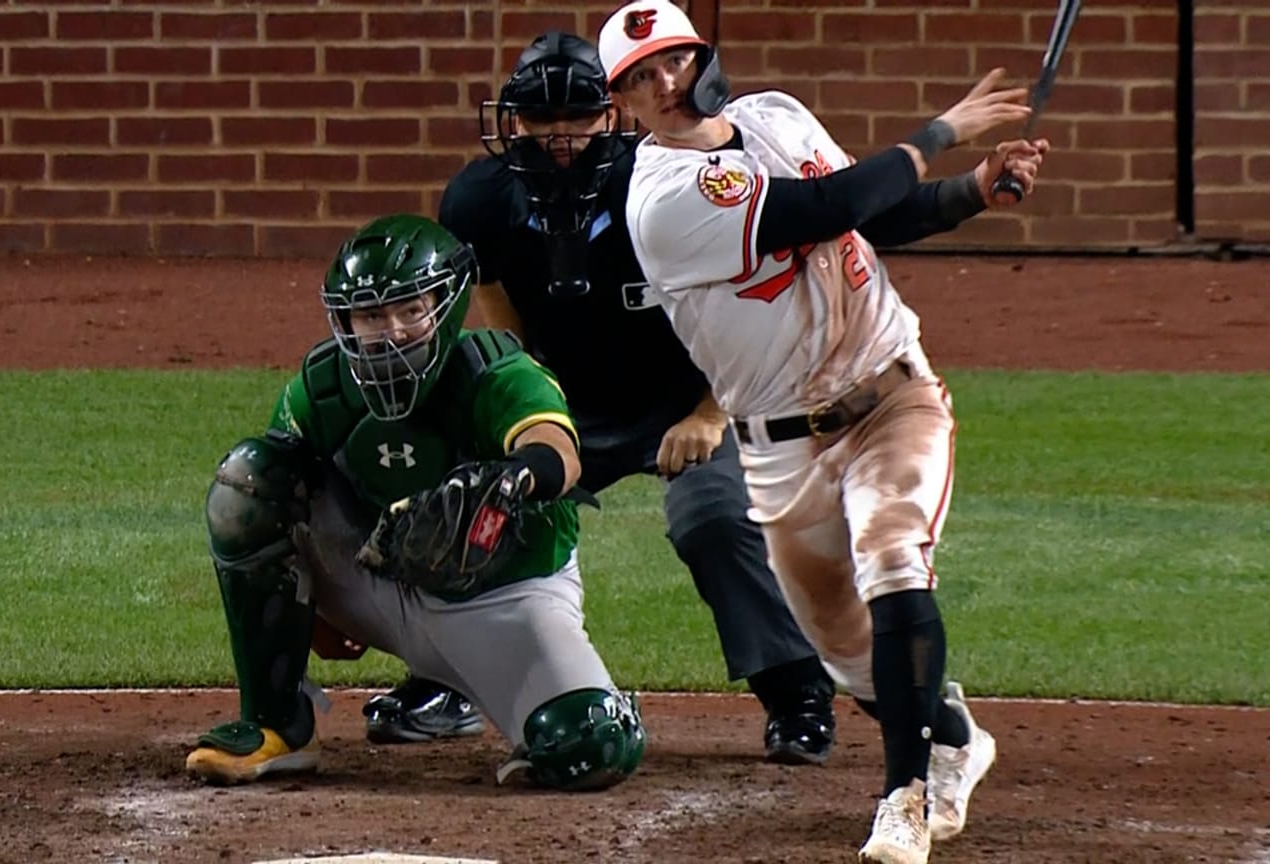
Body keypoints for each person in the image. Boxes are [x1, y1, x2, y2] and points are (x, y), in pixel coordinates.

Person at [596, 1, 1047, 861]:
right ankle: (953, 734)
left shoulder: (776, 115)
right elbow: (820, 206)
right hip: (779, 446)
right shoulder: (661, 199)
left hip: (888, 392)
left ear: (701, 56)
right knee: (845, 654)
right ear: (623, 105)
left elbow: (868, 217)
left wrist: (972, 191)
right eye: (639, 79)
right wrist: (942, 130)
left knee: (892, 556)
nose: (664, 83)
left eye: (674, 61)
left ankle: (903, 800)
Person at [361, 31, 839, 767]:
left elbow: (758, 303)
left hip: (693, 397)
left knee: (713, 518)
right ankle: (450, 681)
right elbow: (498, 310)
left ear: (610, 113)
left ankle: (797, 695)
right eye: (540, 119)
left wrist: (710, 415)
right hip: (569, 405)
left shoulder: (668, 186)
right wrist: (522, 411)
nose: (559, 137)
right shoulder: (479, 199)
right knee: (468, 499)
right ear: (510, 120)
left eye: (579, 117)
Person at [185, 213, 645, 792]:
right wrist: (306, 613)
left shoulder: (493, 370)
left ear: (445, 308)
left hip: (503, 602)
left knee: (588, 746)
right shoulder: (325, 386)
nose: (393, 331)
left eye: (411, 310)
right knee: (248, 481)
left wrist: (512, 480)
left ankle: (465, 693)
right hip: (381, 580)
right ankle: (277, 724)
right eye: (372, 315)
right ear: (345, 321)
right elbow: (276, 500)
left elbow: (557, 450)